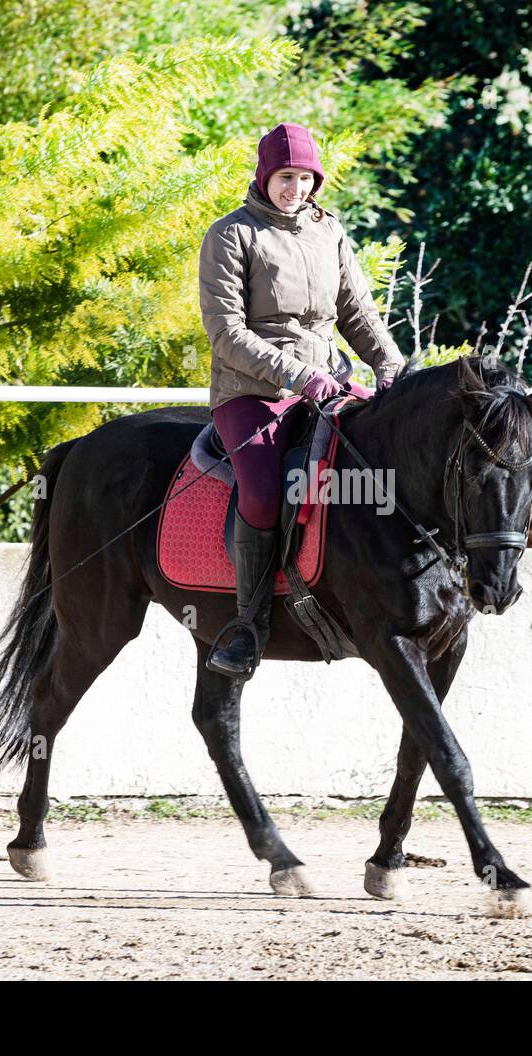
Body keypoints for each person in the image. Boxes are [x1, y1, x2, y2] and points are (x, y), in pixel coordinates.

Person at [197, 121, 406, 680]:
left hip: (328, 385)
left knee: (382, 463)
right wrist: (299, 375)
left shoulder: (329, 233)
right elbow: (226, 333)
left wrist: (390, 364)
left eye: (306, 178)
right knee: (265, 492)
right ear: (265, 176)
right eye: (285, 177)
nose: (296, 188)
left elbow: (358, 313)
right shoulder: (230, 235)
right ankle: (248, 625)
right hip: (251, 392)